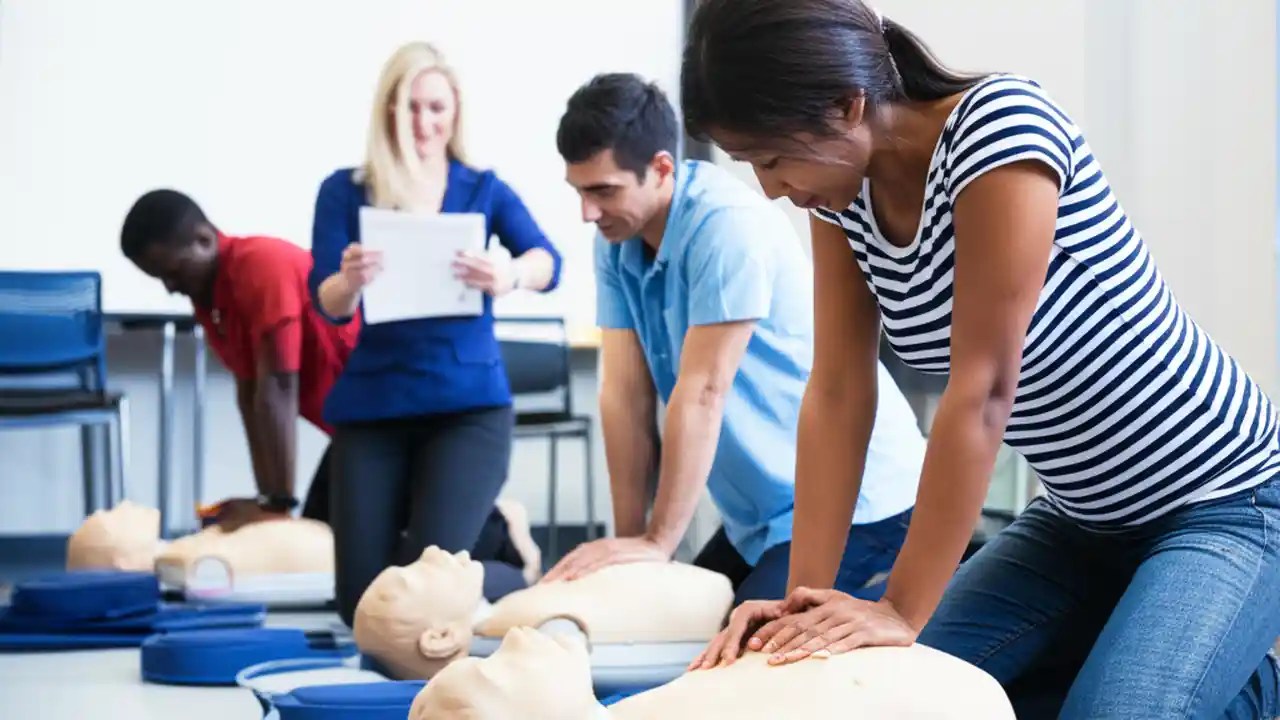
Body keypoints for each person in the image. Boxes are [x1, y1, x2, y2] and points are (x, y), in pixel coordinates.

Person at [681, 1, 1280, 718]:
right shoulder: (841, 197)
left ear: (848, 105)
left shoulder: (999, 129)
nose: (769, 188)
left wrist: (900, 608)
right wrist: (799, 608)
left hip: (1226, 501)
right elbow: (840, 392)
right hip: (1080, 521)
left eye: (772, 158)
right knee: (894, 695)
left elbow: (985, 390)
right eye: (750, 164)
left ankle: (1250, 691)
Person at [543, 73, 926, 608]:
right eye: (580, 191)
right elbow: (623, 395)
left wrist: (659, 542)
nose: (589, 211)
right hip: (767, 518)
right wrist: (629, 545)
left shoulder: (724, 225)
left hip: (863, 502)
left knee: (736, 654)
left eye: (603, 191)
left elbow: (703, 391)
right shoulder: (616, 241)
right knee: (669, 622)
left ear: (661, 168)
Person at [309, 41, 562, 625]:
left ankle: (512, 564)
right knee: (363, 609)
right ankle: (490, 537)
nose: (424, 123)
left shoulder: (482, 188)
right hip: (376, 406)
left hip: (467, 410)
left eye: (436, 108)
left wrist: (510, 273)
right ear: (388, 111)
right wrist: (349, 281)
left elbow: (547, 261)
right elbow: (327, 303)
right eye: (411, 108)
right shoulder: (345, 190)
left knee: (421, 597)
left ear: (455, 113)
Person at [120, 189, 358, 528]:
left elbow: (278, 385)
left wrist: (277, 505)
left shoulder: (261, 265)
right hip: (356, 431)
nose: (170, 287)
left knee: (329, 544)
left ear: (204, 239)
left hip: (401, 421)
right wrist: (267, 500)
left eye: (172, 271)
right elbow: (251, 395)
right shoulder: (211, 299)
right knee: (315, 538)